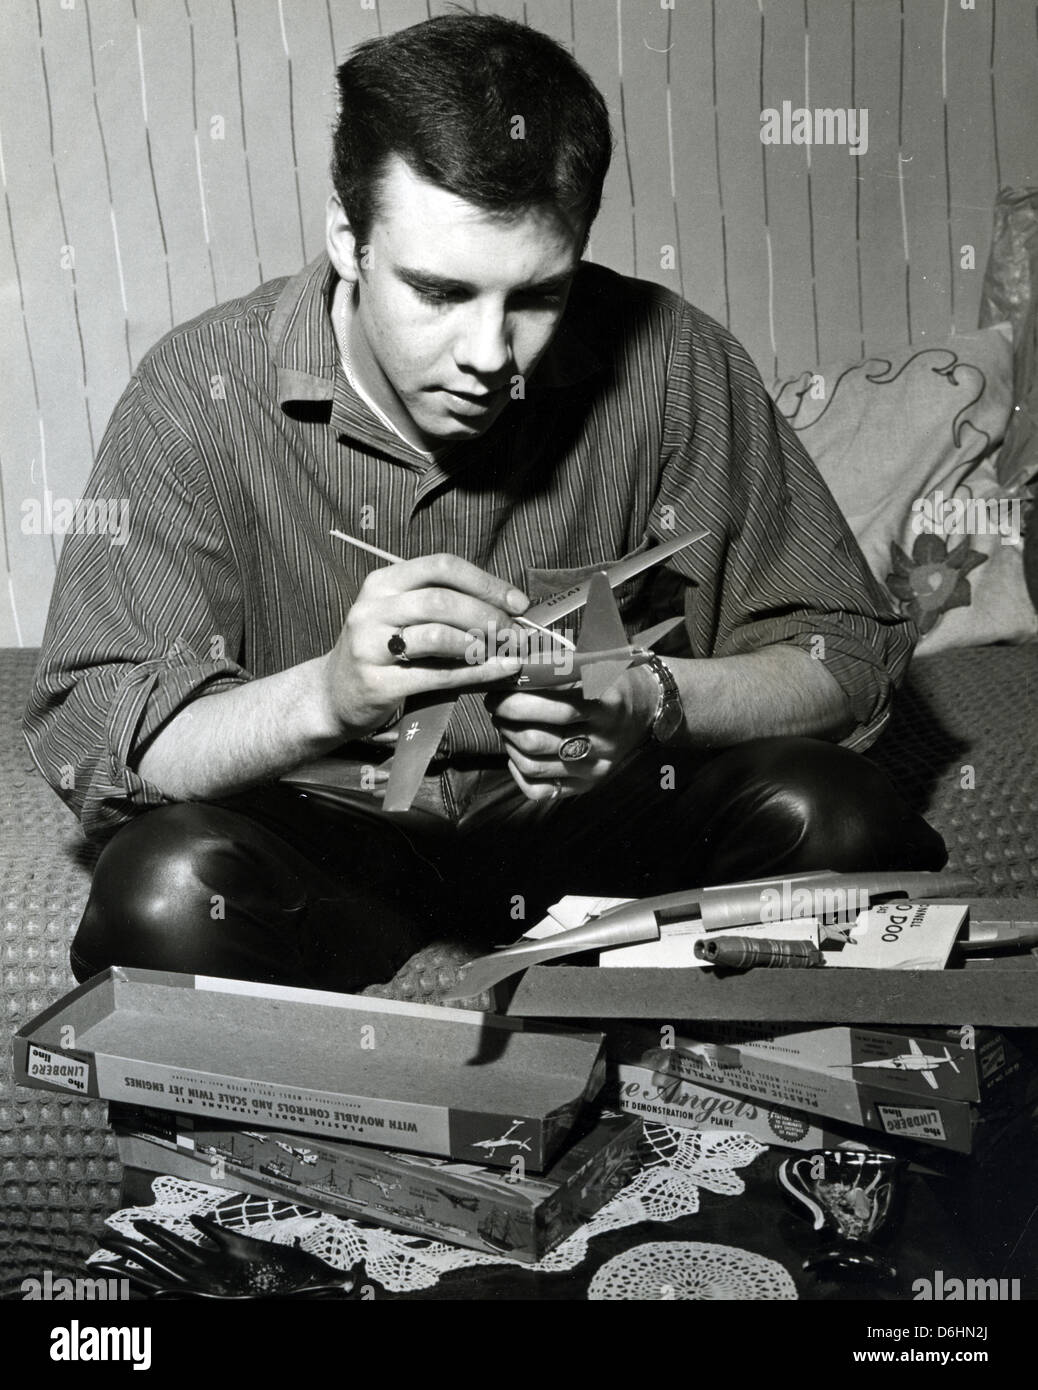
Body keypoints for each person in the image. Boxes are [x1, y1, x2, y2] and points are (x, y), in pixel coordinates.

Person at [23, 14, 945, 994]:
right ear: (348, 235)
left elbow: (840, 652)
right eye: (438, 291)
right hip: (327, 838)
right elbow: (103, 736)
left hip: (591, 839)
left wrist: (651, 697)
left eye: (536, 298)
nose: (488, 356)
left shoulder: (671, 360)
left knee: (836, 813)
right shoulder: (197, 389)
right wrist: (328, 695)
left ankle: (714, 1139)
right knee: (165, 891)